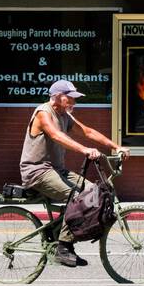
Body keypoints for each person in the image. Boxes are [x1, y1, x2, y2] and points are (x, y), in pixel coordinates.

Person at [20, 79, 124, 267]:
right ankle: (63, 247)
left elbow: (88, 131)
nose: (74, 102)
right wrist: (84, 150)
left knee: (94, 191)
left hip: (56, 170)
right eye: (71, 98)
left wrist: (116, 146)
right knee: (79, 197)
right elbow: (56, 135)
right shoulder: (44, 113)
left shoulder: (65, 115)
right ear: (59, 97)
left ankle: (61, 235)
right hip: (37, 171)